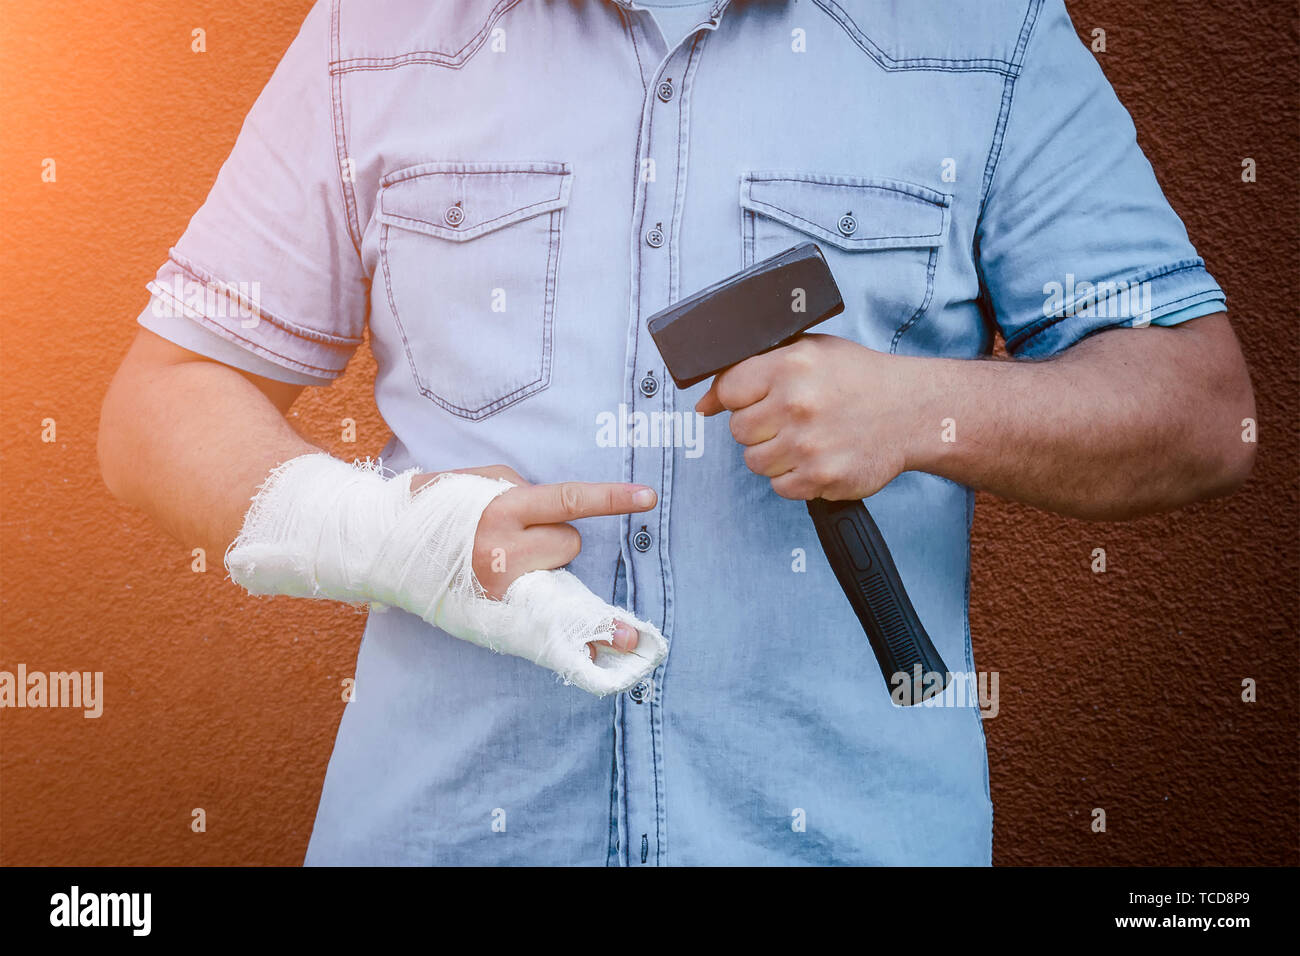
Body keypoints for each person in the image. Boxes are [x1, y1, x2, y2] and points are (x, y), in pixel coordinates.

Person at [98, 0, 1255, 865]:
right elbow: (156, 405)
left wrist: (922, 409)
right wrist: (398, 535)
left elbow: (1204, 410)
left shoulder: (981, 27)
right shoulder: (379, 27)